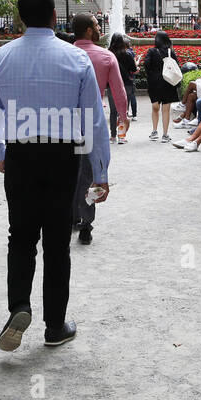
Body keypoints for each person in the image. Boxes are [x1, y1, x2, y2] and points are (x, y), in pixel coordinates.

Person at [0, 0, 109, 351]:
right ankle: (55, 326)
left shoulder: (0, 58)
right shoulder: (76, 59)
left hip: (20, 153)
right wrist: (99, 171)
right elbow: (94, 121)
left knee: (20, 236)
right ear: (55, 17)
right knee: (57, 241)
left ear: (21, 18)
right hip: (63, 155)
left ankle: (19, 306)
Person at [70, 14, 128, 245]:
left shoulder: (65, 55)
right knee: (88, 175)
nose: (99, 28)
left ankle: (72, 218)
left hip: (63, 123)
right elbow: (118, 90)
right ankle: (87, 222)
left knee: (68, 174)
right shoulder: (106, 56)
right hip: (90, 121)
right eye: (96, 25)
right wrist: (123, 117)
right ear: (88, 30)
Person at [143, 30, 181, 142]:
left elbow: (146, 65)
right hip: (168, 82)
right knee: (166, 109)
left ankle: (154, 131)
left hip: (155, 83)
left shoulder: (152, 51)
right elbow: (176, 66)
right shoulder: (170, 52)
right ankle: (165, 135)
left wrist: (151, 75)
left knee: (155, 108)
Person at [108, 33, 138, 140]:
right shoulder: (127, 55)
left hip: (112, 85)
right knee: (123, 111)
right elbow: (134, 69)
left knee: (113, 111)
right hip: (126, 84)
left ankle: (112, 135)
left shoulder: (108, 54)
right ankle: (121, 135)